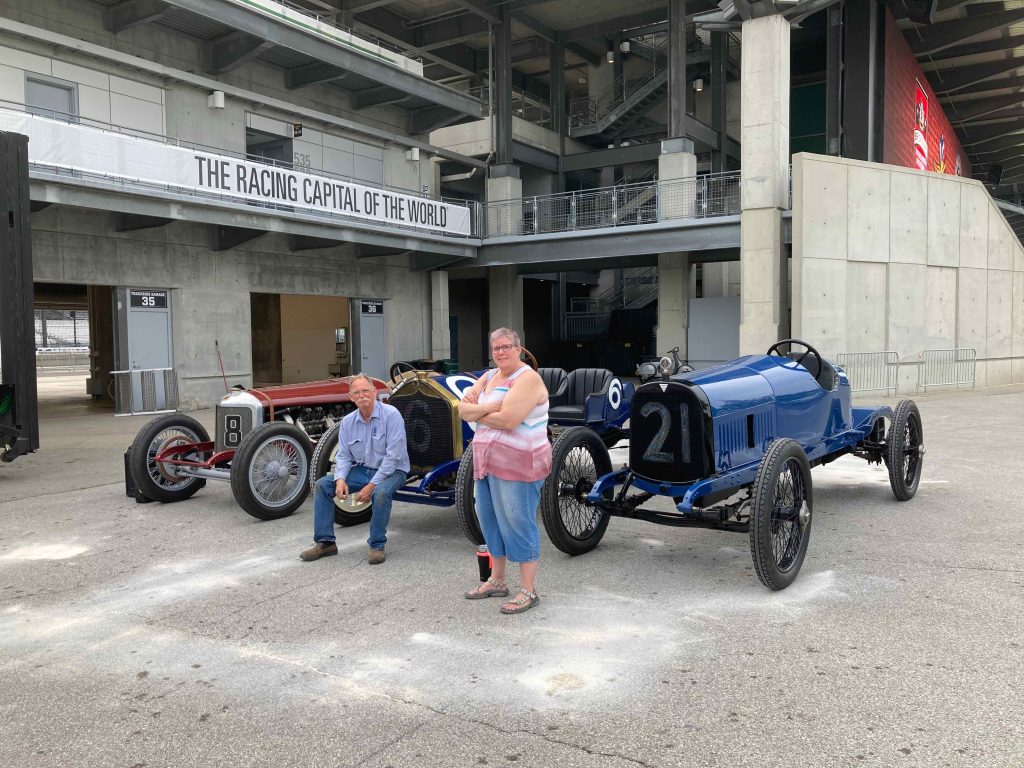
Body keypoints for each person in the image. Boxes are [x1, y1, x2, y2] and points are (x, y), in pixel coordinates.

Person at [458, 328, 551, 614]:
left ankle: (528, 590)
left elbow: (510, 420)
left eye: (506, 347)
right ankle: (497, 581)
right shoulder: (488, 377)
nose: (500, 352)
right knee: (490, 521)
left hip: (520, 463)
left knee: (518, 521)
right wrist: (492, 406)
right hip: (486, 461)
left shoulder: (528, 379)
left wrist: (480, 410)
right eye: (496, 348)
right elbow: (461, 409)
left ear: (519, 348)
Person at [300, 373, 409, 565]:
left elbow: (393, 457)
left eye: (365, 391)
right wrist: (340, 479)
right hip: (363, 469)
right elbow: (343, 455)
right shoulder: (348, 422)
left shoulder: (392, 415)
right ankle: (326, 543)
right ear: (351, 397)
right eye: (356, 393)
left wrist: (371, 486)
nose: (362, 396)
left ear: (374, 392)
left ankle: (377, 545)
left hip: (393, 471)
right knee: (322, 485)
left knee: (381, 493)